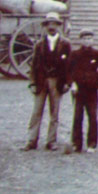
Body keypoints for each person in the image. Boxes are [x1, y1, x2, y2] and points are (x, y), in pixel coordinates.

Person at [22, 12, 72, 151]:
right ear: (45, 26)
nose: (51, 27)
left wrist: (68, 82)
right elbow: (34, 65)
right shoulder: (39, 44)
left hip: (57, 81)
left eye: (54, 24)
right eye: (48, 24)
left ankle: (51, 141)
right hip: (41, 81)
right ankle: (32, 140)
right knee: (36, 112)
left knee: (54, 113)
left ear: (58, 26)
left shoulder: (66, 44)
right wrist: (32, 82)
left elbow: (69, 65)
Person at [66, 28, 98, 153]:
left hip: (92, 89)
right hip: (79, 89)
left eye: (89, 38)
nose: (87, 41)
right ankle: (77, 143)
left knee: (92, 116)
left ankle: (92, 144)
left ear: (92, 40)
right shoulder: (75, 54)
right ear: (80, 40)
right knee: (77, 116)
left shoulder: (96, 53)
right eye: (85, 38)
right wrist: (72, 84)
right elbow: (69, 70)